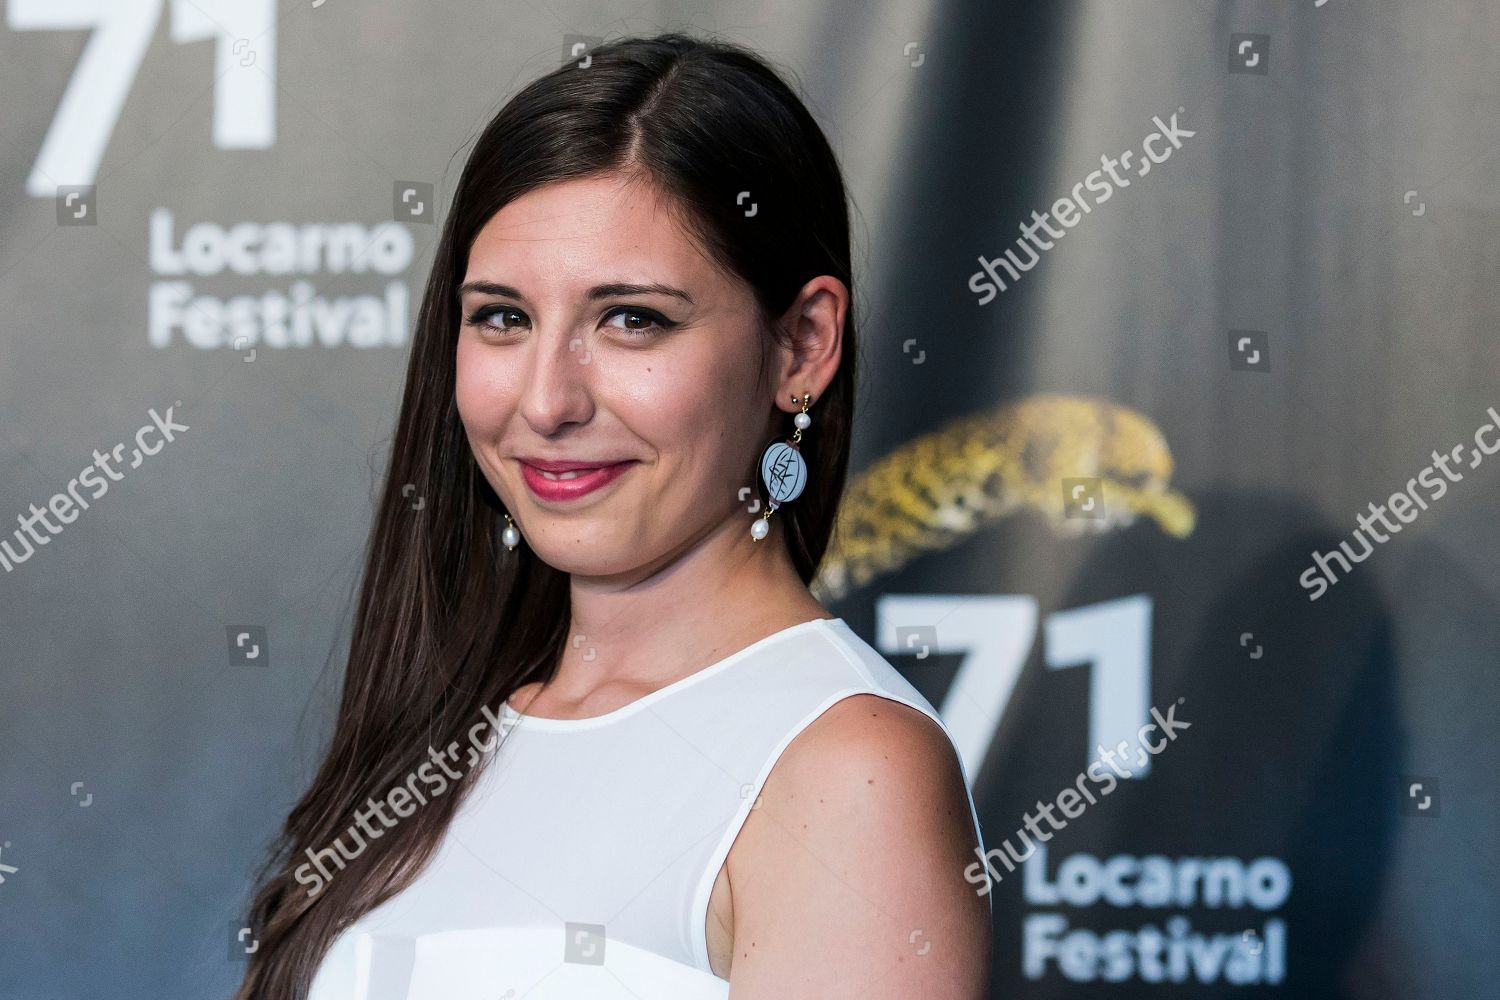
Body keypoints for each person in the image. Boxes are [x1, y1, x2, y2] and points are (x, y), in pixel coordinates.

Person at [235, 32, 990, 1000]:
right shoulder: (443, 720)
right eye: (503, 317)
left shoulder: (846, 773)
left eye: (632, 318)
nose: (547, 401)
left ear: (802, 344)